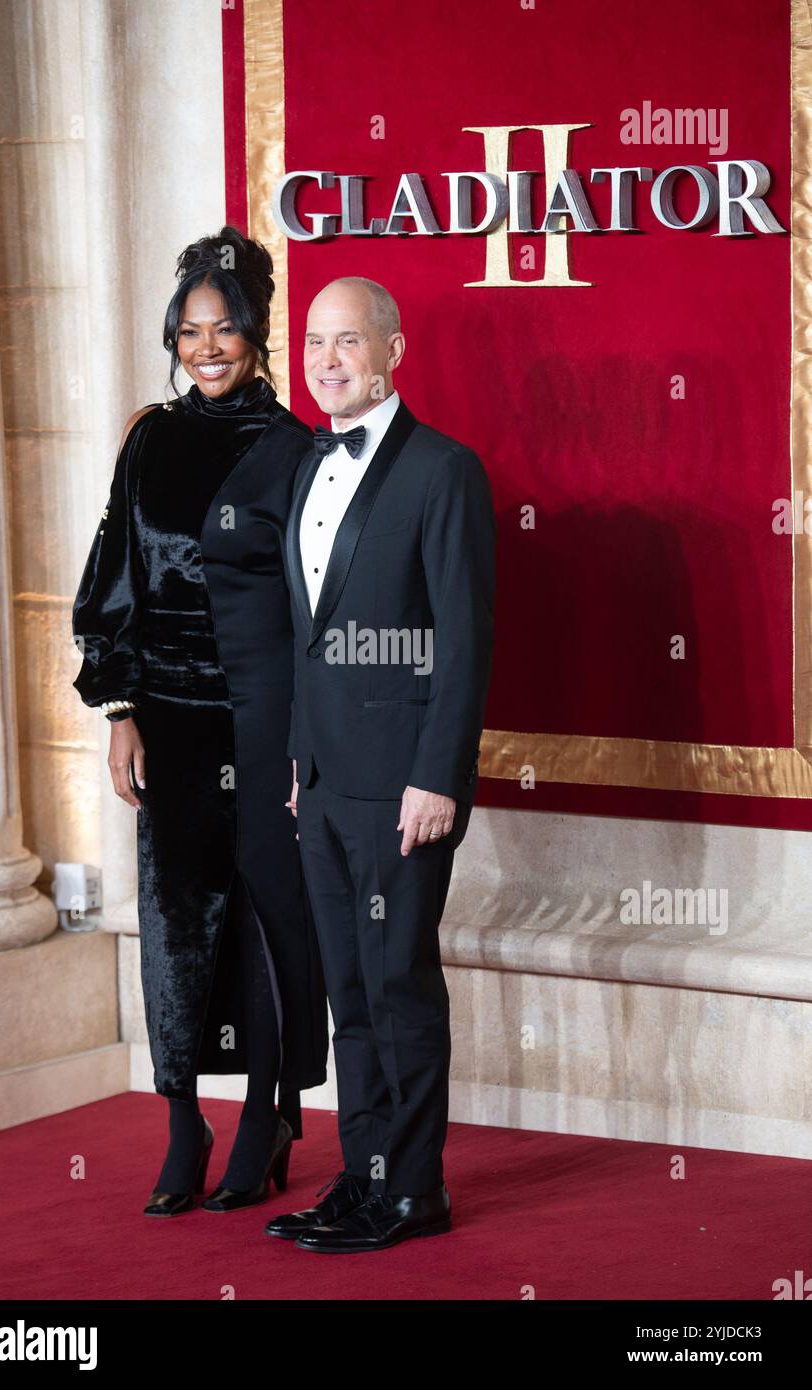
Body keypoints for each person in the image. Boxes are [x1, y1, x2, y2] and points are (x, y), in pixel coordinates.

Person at [72, 226, 327, 1218]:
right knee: (176, 919)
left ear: (256, 331)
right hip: (168, 721)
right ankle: (182, 1114)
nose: (206, 347)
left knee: (270, 921)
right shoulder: (150, 438)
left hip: (262, 721)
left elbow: (316, 607)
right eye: (188, 331)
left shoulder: (296, 447)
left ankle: (268, 1115)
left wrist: (309, 740)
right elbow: (114, 581)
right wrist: (120, 709)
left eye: (223, 329)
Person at [265, 276, 495, 1252]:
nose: (327, 359)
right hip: (319, 782)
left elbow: (463, 637)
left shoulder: (443, 470)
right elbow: (303, 639)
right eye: (314, 341)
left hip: (403, 784)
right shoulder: (307, 464)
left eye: (347, 340)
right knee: (346, 991)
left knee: (396, 983)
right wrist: (295, 759)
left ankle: (412, 1191)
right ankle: (361, 1178)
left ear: (390, 350)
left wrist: (436, 774)